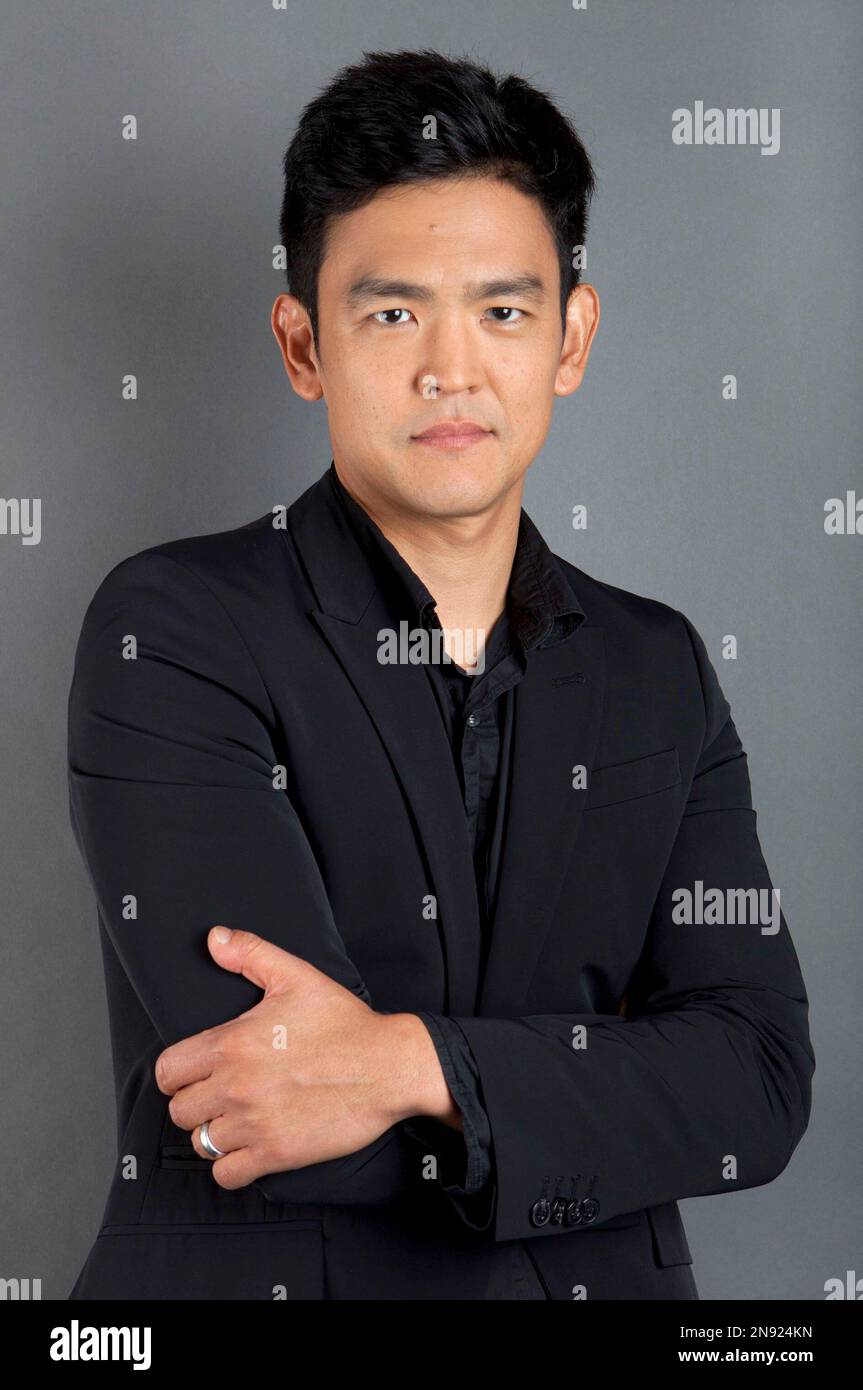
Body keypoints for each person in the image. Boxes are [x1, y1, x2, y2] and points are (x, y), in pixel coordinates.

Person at [67, 48, 814, 1301]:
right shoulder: (174, 626)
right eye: (392, 310)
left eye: (503, 310)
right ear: (302, 342)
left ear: (570, 338)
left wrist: (408, 1064)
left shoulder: (658, 666)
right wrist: (606, 1087)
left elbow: (755, 1084)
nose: (450, 369)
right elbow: (266, 1102)